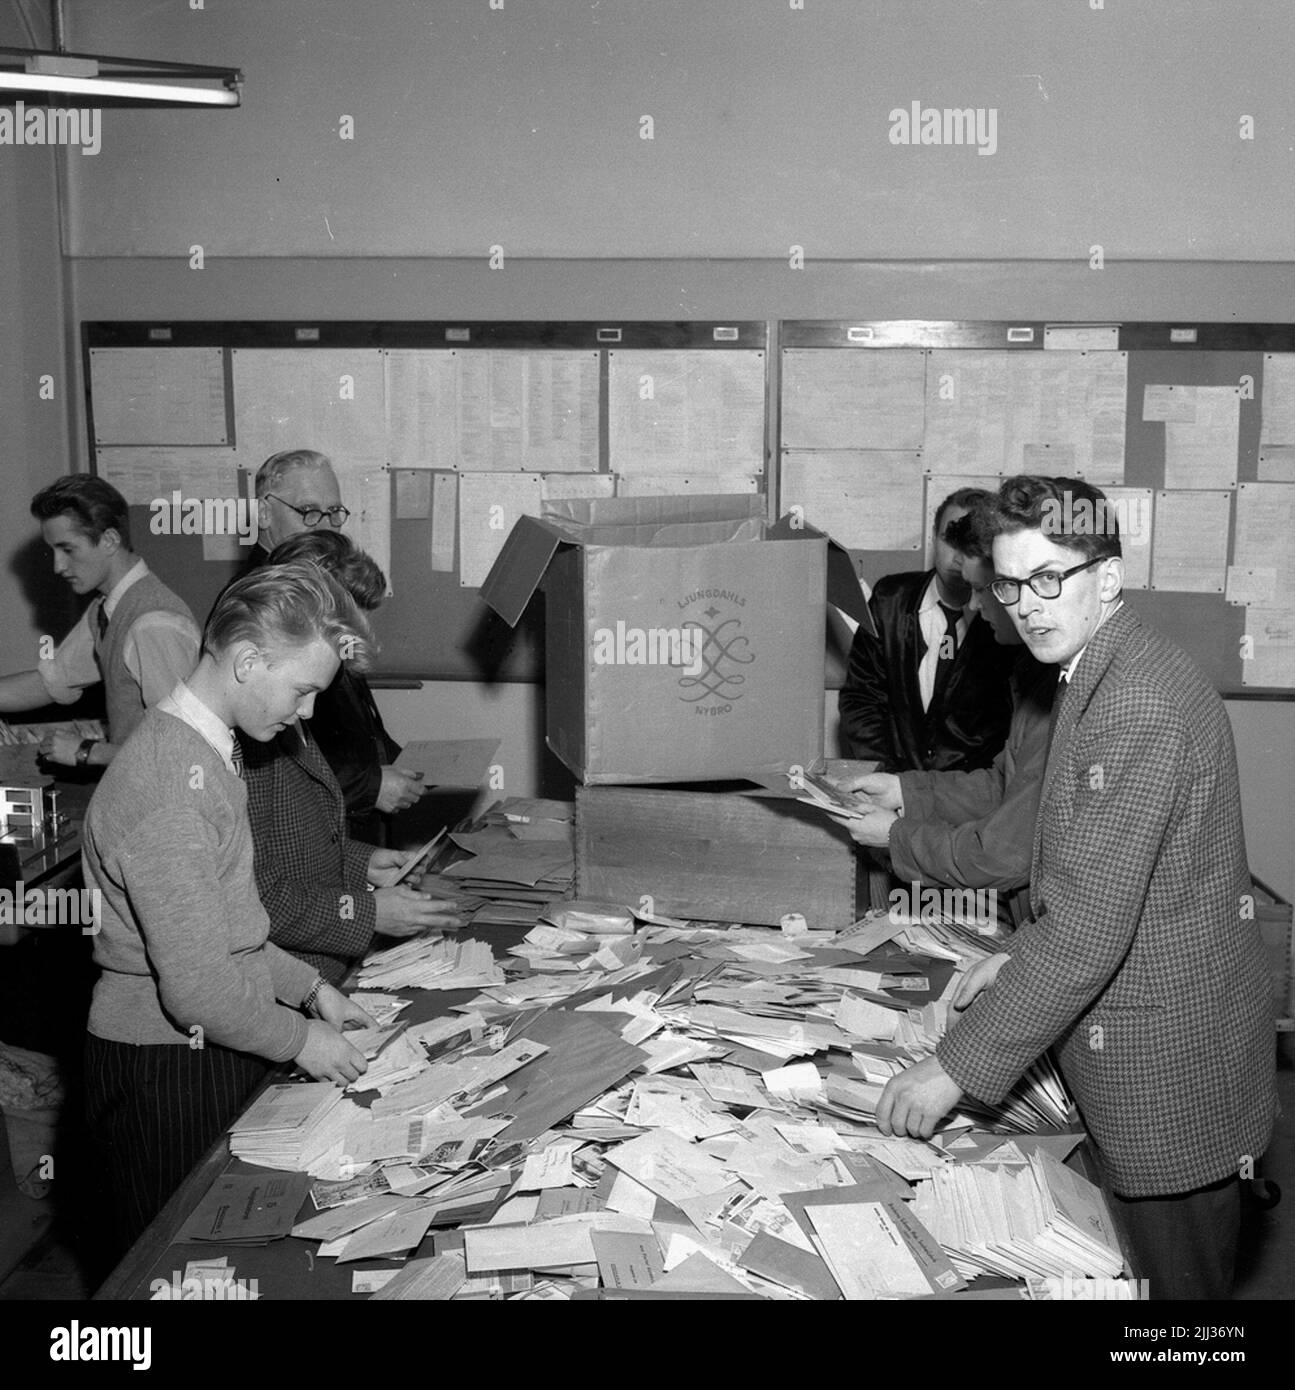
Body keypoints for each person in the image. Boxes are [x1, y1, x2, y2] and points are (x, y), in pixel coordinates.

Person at [874, 475, 1276, 1301]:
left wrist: (951, 1070)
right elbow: (1106, 874)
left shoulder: (1133, 704)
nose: (1027, 605)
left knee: (1179, 1316)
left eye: (1049, 578)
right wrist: (1018, 952)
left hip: (1164, 1068)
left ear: (1108, 577)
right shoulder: (1100, 666)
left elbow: (1089, 928)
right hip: (1144, 1033)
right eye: (1010, 584)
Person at [82, 562, 378, 1252]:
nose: (307, 713)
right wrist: (303, 1040)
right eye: (303, 690)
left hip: (208, 1044)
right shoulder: (172, 783)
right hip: (168, 1067)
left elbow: (229, 931)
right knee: (178, 1264)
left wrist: (310, 991)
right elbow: (197, 990)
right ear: (247, 661)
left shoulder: (204, 752)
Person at [244, 530, 464, 983]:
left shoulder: (290, 707)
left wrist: (361, 861)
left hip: (318, 968)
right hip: (287, 979)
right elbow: (257, 898)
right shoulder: (254, 732)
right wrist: (367, 912)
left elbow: (299, 844)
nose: (309, 709)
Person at [834, 503, 1056, 923]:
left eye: (983, 589)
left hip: (983, 873)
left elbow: (1003, 853)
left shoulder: (1057, 681)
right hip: (965, 858)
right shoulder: (1041, 676)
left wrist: (896, 835)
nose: (973, 604)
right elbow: (1002, 786)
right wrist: (903, 789)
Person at [246, 449, 425, 833]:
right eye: (308, 511)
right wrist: (369, 785)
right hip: (309, 831)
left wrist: (397, 761)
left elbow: (346, 712)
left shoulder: (320, 583)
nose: (325, 526)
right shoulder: (258, 602)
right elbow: (268, 762)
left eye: (334, 512)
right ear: (263, 513)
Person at [0, 475, 199, 768]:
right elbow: (50, 682)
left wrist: (87, 752)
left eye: (67, 550)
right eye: (53, 550)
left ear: (109, 540)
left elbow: (181, 751)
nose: (57, 566)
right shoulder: (106, 609)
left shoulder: (153, 624)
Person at [838, 487, 1015, 773]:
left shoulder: (1006, 624)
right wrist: (890, 779)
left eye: (970, 544)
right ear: (934, 538)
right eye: (950, 540)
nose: (958, 557)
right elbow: (861, 699)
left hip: (969, 793)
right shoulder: (890, 600)